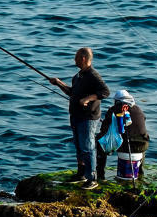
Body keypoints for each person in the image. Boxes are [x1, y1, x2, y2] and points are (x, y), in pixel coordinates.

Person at [47, 46, 110, 190]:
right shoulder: (78, 76)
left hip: (88, 117)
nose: (74, 59)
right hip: (76, 115)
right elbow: (72, 92)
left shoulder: (93, 75)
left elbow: (105, 92)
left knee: (88, 146)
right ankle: (81, 173)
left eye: (76, 57)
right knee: (79, 145)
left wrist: (88, 98)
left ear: (83, 58)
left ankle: (92, 178)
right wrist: (59, 83)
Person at [97, 89, 150, 182]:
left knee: (100, 142)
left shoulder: (114, 110)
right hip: (143, 145)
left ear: (117, 101)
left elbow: (103, 130)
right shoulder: (138, 109)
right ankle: (140, 173)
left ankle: (100, 174)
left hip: (126, 146)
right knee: (140, 141)